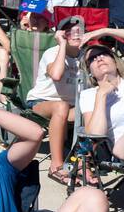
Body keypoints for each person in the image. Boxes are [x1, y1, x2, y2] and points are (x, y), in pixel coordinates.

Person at [25, 17, 85, 183]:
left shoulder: (86, 57)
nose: (74, 34)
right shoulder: (53, 53)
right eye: (69, 31)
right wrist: (62, 45)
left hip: (71, 107)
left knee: (94, 109)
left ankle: (81, 162)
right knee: (61, 106)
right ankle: (56, 166)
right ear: (62, 35)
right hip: (40, 102)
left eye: (78, 30)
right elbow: (57, 75)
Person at [79, 38, 124, 161]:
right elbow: (94, 135)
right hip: (123, 151)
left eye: (103, 54)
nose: (99, 58)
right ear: (89, 72)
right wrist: (101, 94)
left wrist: (106, 31)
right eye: (92, 59)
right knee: (120, 152)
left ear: (115, 62)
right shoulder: (89, 95)